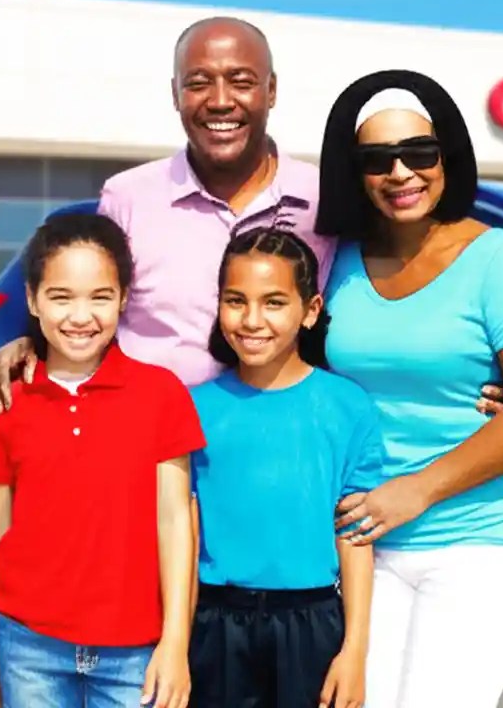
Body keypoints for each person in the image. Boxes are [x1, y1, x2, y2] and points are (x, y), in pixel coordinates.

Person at [0, 16, 503, 412]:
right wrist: (30, 343)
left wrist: (479, 373)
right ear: (176, 95)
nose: (220, 100)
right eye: (199, 82)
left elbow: (401, 282)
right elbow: (89, 304)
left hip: (280, 461)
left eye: (242, 81)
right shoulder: (128, 198)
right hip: (152, 464)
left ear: (271, 92)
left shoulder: (326, 199)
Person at [318, 70, 503, 707]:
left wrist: (417, 490)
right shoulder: (335, 259)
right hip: (357, 548)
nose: (401, 172)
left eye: (419, 153)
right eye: (377, 160)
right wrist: (28, 337)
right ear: (354, 173)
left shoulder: (497, 258)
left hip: (478, 543)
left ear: (447, 157)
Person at [0, 214, 202, 708]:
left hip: (135, 655)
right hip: (28, 650)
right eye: (60, 297)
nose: (80, 316)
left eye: (100, 296)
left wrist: (176, 643)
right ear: (32, 300)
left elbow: (176, 521)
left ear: (123, 299)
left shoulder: (161, 394)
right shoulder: (2, 400)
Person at [187, 226, 381, 708]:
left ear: (310, 311)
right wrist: (174, 642)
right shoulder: (193, 408)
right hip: (214, 624)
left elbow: (354, 535)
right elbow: (182, 531)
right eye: (236, 301)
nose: (252, 320)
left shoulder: (348, 406)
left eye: (274, 302)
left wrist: (354, 652)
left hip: (312, 625)